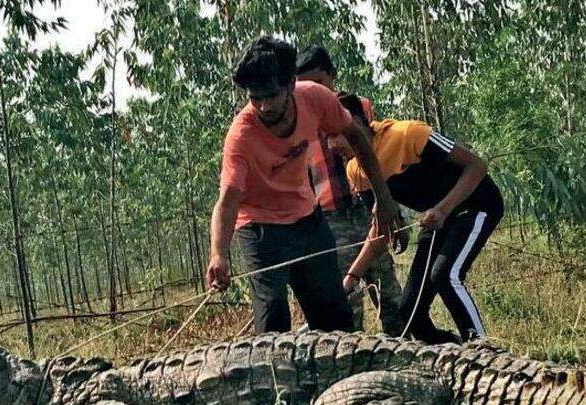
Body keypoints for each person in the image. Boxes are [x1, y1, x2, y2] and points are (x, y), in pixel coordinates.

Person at [206, 37, 400, 334]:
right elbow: (229, 199)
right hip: (260, 227)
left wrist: (384, 197)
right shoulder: (241, 136)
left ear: (289, 84)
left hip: (308, 218)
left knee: (335, 315)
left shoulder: (316, 99)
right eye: (254, 98)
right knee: (272, 315)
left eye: (270, 95)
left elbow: (358, 137)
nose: (263, 106)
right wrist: (218, 253)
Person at [340, 95, 505, 344]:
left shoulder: (409, 134)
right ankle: (454, 354)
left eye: (332, 134)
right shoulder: (356, 171)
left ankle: (485, 351)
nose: (329, 145)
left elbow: (477, 166)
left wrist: (442, 209)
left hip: (475, 203)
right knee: (409, 313)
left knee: (445, 276)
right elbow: (380, 231)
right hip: (437, 220)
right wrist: (350, 280)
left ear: (352, 124)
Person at [295, 45, 407, 335]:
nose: (313, 90)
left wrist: (390, 205)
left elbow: (380, 157)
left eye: (319, 82)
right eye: (304, 85)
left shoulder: (359, 107)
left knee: (389, 294)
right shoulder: (298, 122)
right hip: (330, 220)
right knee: (345, 301)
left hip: (368, 210)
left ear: (332, 76)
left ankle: (404, 354)